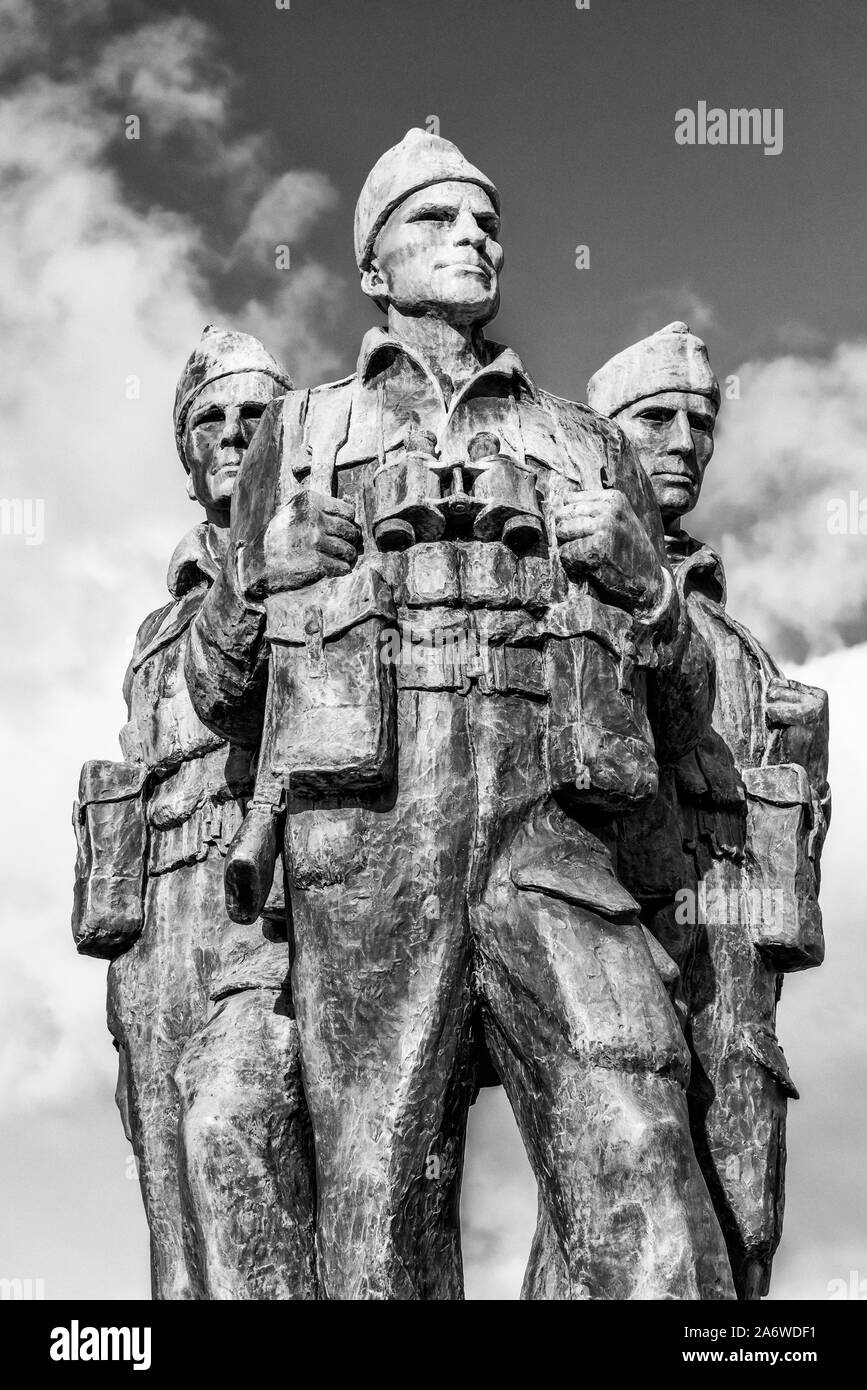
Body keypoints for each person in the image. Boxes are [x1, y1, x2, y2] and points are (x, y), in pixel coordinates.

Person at [186, 134, 735, 1300]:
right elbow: (221, 696)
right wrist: (254, 577)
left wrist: (647, 584)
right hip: (366, 857)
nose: (475, 238)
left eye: (486, 221)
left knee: (636, 1123)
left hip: (557, 849)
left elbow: (684, 715)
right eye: (435, 220)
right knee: (380, 1202)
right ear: (375, 267)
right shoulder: (300, 435)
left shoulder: (584, 442)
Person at [585, 321, 830, 1297]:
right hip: (613, 933)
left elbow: (790, 921)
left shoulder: (743, 641)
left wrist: (801, 768)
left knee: (740, 1229)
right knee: (622, 1222)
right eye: (656, 418)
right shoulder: (563, 586)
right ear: (599, 435)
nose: (685, 442)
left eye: (701, 422)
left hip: (731, 968)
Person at [75, 328, 317, 1299]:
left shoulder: (318, 560)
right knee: (173, 1221)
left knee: (248, 1152)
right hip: (152, 925)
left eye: (252, 417)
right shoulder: (157, 620)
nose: (228, 435)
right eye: (208, 421)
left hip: (260, 892)